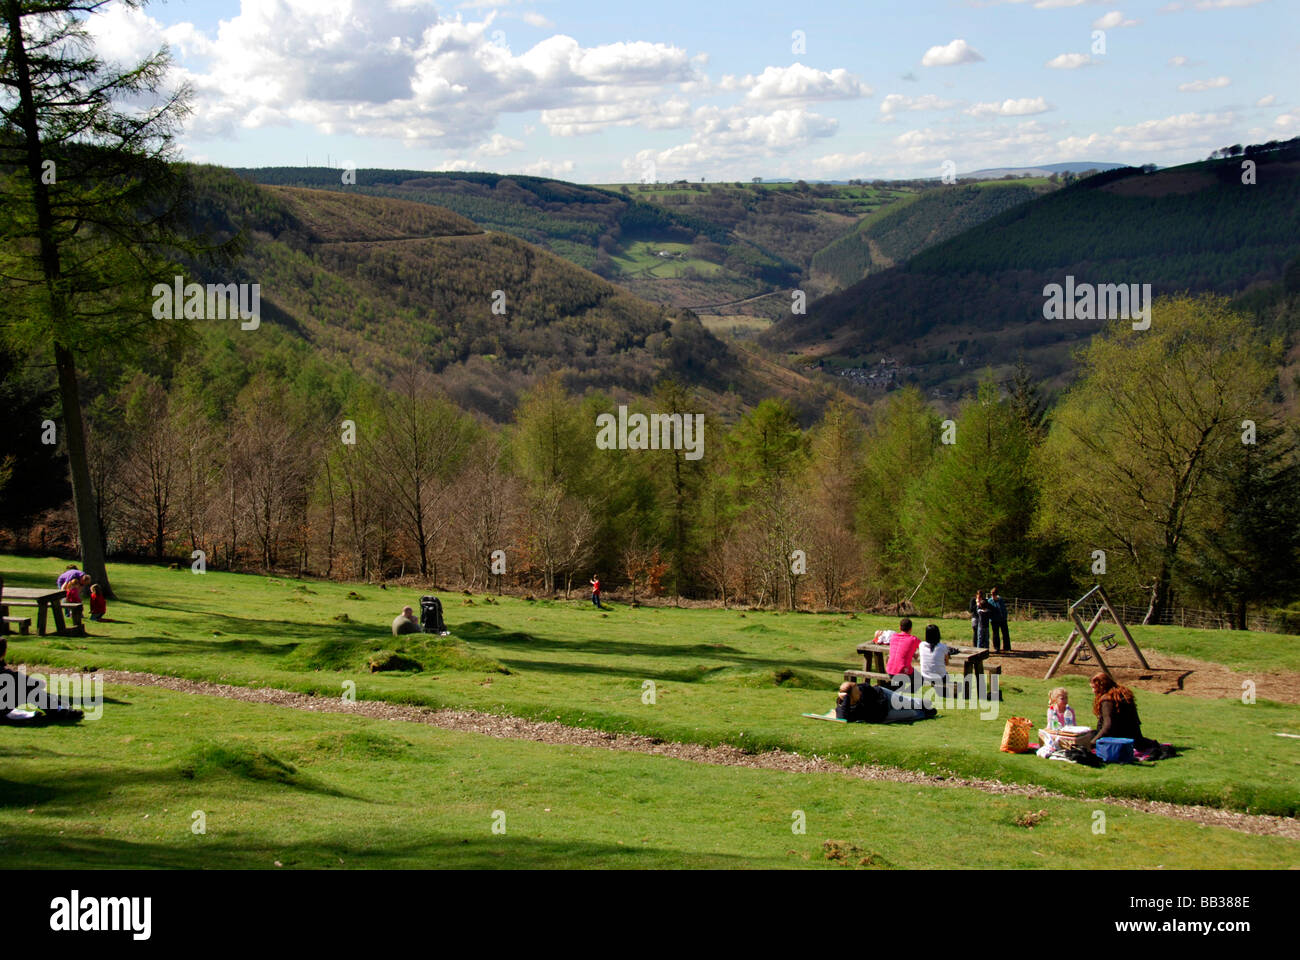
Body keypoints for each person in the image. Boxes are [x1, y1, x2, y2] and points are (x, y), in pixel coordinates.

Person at [1088, 672, 1172, 758]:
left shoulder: (1107, 700)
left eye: (1094, 688)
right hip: (1133, 734)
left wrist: (1093, 742)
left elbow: (1108, 726)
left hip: (1121, 738)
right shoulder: (1122, 693)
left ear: (1102, 686)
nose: (1093, 691)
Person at [835, 680, 935, 724]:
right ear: (850, 697)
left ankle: (923, 703)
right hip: (884, 714)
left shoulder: (864, 690)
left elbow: (867, 689)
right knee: (912, 713)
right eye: (857, 692)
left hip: (885, 696)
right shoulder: (845, 705)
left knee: (909, 702)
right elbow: (842, 717)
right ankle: (925, 714)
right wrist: (846, 699)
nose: (860, 692)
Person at [916, 624, 955, 696]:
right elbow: (947, 663)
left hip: (924, 676)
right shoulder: (943, 647)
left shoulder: (921, 645)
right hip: (940, 677)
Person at [1037, 687, 1076, 756]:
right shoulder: (1052, 711)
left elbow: (1073, 724)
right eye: (1062, 699)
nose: (1065, 700)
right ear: (1055, 700)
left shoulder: (1070, 711)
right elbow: (1051, 724)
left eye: (1066, 698)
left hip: (1067, 732)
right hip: (1055, 731)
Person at [884, 617, 922, 689]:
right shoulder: (913, 639)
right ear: (911, 629)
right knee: (920, 679)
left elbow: (902, 649)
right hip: (902, 671)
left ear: (900, 627)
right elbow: (924, 647)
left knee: (898, 685)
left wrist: (912, 653)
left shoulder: (893, 637)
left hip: (890, 669)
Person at [988, 587, 1011, 653]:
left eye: (994, 594)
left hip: (1002, 619)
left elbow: (1003, 609)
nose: (993, 596)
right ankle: (996, 648)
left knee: (1005, 633)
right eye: (992, 594)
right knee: (995, 634)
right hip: (994, 620)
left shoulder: (1000, 600)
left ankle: (1007, 647)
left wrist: (1005, 616)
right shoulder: (989, 601)